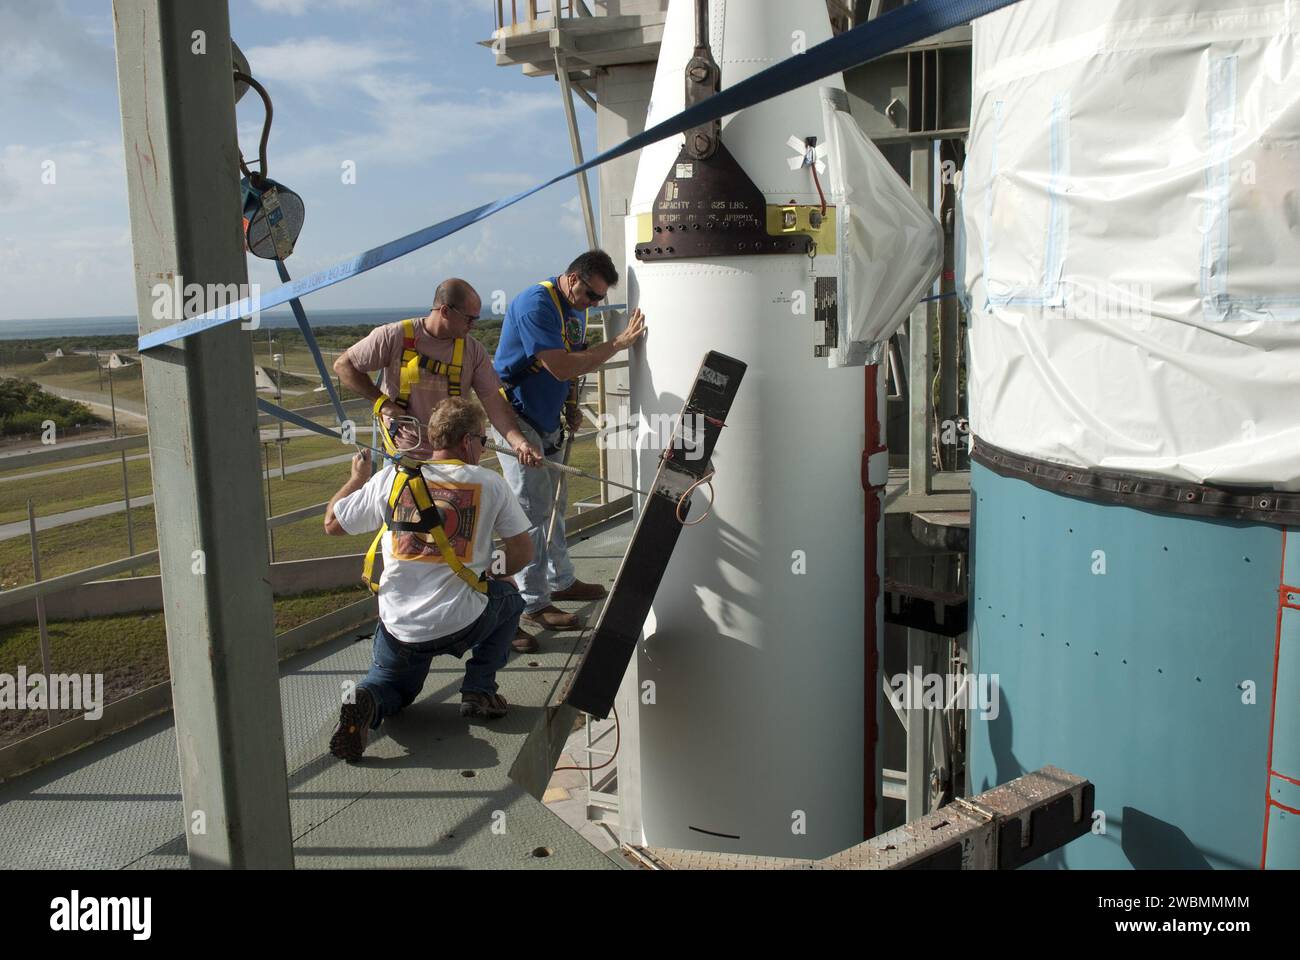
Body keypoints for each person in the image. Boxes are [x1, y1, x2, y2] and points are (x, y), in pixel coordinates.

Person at [323, 396, 533, 762]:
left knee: (394, 688)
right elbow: (523, 554)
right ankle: (479, 690)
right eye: (483, 441)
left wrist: (356, 479)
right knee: (511, 599)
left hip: (399, 624)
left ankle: (368, 698)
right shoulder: (490, 483)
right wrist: (490, 572)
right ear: (468, 441)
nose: (483, 449)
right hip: (462, 622)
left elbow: (333, 525)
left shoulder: (392, 476)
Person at [492, 250, 648, 650]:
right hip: (518, 421)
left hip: (548, 422)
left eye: (598, 299)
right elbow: (562, 366)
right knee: (530, 513)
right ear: (573, 277)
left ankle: (561, 581)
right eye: (591, 295)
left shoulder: (574, 308)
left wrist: (572, 406)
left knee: (554, 506)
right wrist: (616, 343)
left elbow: (573, 363)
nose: (593, 304)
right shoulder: (536, 305)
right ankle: (533, 602)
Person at [333, 277, 541, 466]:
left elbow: (493, 401)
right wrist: (382, 402)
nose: (473, 326)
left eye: (476, 319)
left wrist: (519, 442)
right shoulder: (394, 336)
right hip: (405, 455)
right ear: (445, 311)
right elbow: (344, 365)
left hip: (453, 457)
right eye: (469, 319)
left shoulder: (472, 350)